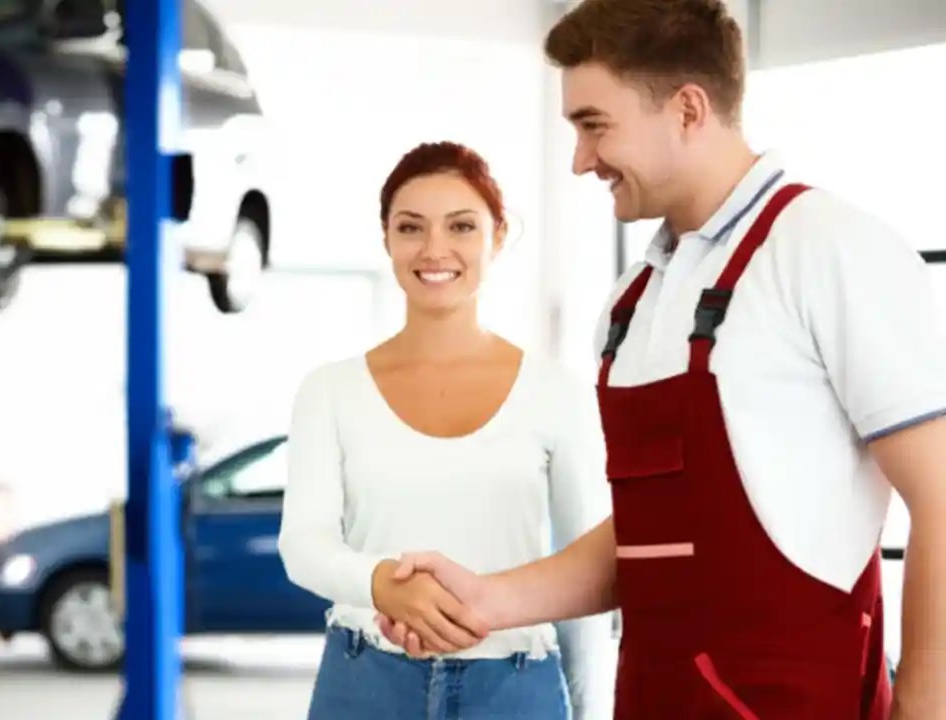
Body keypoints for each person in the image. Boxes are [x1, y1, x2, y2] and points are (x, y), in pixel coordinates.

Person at [377, 1, 946, 718]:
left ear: (686, 110)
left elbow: (941, 495)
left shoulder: (826, 248)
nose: (581, 160)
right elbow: (657, 538)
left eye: (594, 125)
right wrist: (491, 599)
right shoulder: (631, 302)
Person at [278, 141, 616, 720]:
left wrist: (591, 711)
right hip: (365, 685)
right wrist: (381, 582)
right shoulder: (329, 390)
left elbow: (585, 574)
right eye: (411, 228)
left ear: (498, 235)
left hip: (515, 689)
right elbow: (303, 545)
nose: (435, 249)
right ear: (386, 237)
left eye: (461, 226)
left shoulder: (557, 393)